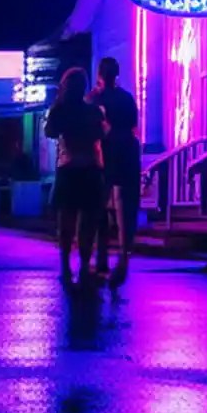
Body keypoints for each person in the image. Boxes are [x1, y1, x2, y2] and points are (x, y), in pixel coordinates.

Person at [44, 67, 106, 287]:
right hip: (89, 168)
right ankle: (84, 264)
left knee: (67, 222)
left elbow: (49, 131)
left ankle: (65, 265)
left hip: (68, 168)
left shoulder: (60, 111)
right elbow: (101, 134)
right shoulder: (93, 111)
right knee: (87, 222)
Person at [89, 57, 141, 289]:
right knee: (125, 209)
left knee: (99, 206)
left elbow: (92, 125)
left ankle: (101, 257)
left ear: (100, 74)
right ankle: (123, 258)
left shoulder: (96, 98)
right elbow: (133, 123)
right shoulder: (127, 98)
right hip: (128, 151)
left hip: (106, 152)